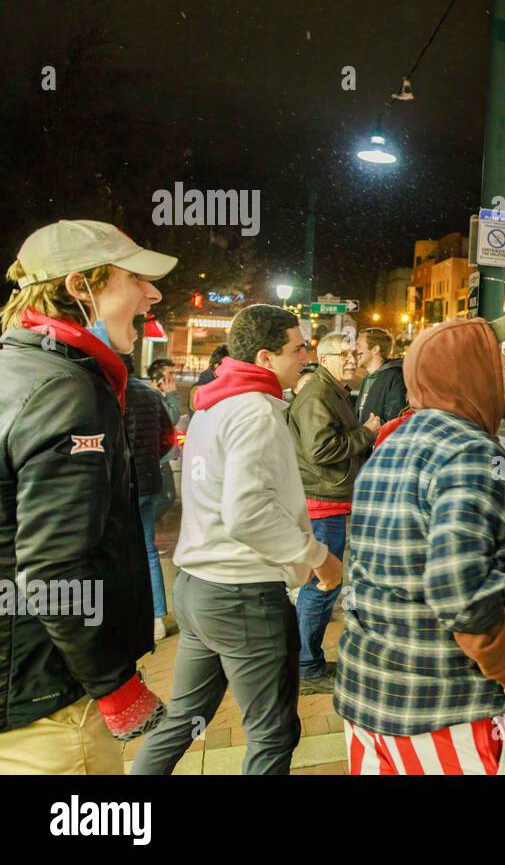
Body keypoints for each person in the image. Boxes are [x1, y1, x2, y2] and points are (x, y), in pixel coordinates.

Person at [131, 304, 342, 775]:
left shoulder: (214, 404)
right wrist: (318, 557)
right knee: (273, 734)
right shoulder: (255, 412)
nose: (305, 357)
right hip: (242, 596)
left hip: (200, 588)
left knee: (184, 720)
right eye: (298, 348)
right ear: (266, 357)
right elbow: (248, 512)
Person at [0, 219, 176, 773]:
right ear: (79, 287)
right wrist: (114, 685)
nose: (153, 292)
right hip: (50, 703)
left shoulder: (19, 367)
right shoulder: (67, 388)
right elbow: (55, 567)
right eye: (133, 278)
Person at [334, 315, 505, 775]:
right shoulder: (473, 453)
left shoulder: (393, 442)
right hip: (442, 710)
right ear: (468, 372)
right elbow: (458, 588)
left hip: (368, 695)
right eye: (494, 355)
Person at [287, 332, 380, 695]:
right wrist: (367, 433)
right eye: (344, 353)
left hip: (329, 498)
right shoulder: (319, 394)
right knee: (323, 584)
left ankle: (306, 659)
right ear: (324, 359)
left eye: (354, 352)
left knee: (324, 583)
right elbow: (321, 450)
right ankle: (306, 665)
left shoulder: (330, 391)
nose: (352, 358)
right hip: (322, 501)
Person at [122, 353, 177, 642]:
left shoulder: (104, 391)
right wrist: (150, 461)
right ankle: (156, 617)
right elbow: (169, 436)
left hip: (118, 485)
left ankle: (125, 615)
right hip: (147, 481)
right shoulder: (150, 394)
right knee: (147, 548)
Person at [147, 357, 182, 519]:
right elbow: (172, 418)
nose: (174, 377)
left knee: (158, 499)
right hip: (158, 459)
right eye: (170, 373)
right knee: (166, 497)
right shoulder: (154, 396)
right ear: (157, 376)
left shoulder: (155, 395)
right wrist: (172, 394)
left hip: (158, 457)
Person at [356, 327, 407, 426]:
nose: (355, 351)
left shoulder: (395, 376)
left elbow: (393, 421)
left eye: (358, 346)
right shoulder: (368, 378)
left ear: (375, 349)